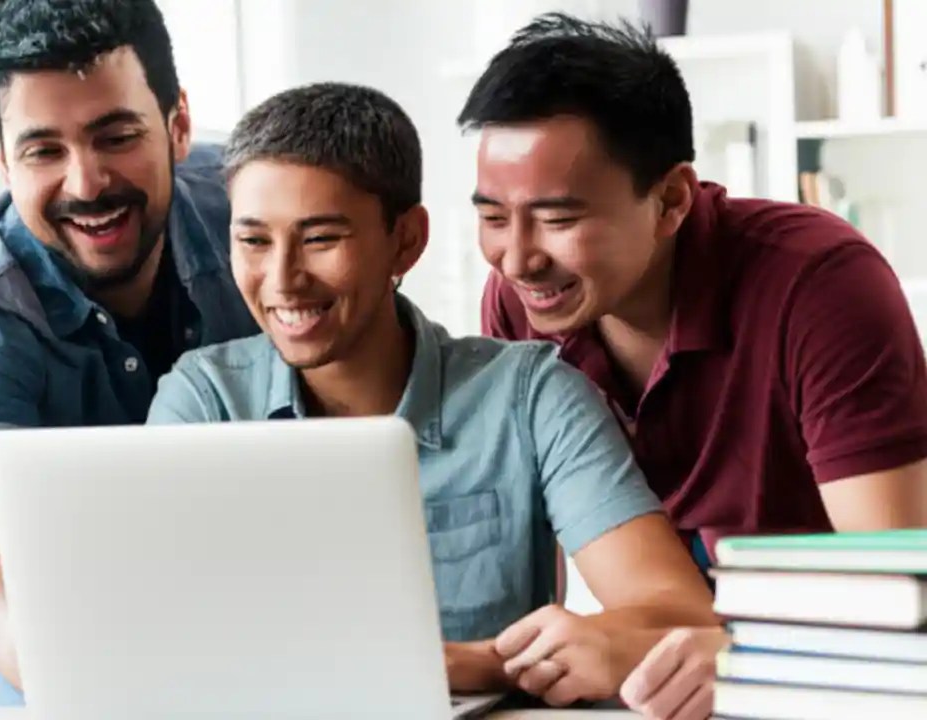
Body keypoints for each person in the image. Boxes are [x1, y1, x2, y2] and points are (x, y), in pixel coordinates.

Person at [147, 81, 718, 707]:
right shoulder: (202, 401)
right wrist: (482, 663)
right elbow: (155, 635)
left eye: (320, 239)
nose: (282, 280)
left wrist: (497, 662)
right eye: (254, 241)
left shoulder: (530, 396)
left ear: (407, 240)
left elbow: (680, 618)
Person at [457, 13, 927, 717]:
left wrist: (741, 655)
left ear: (672, 199)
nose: (518, 259)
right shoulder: (522, 306)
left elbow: (902, 601)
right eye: (494, 218)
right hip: (663, 691)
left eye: (557, 220)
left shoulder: (821, 284)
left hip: (828, 685)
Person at [0, 0, 258, 704]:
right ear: (4, 161)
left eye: (116, 136)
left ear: (178, 125)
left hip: (221, 658)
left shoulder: (251, 213)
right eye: (43, 151)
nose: (87, 183)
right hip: (22, 686)